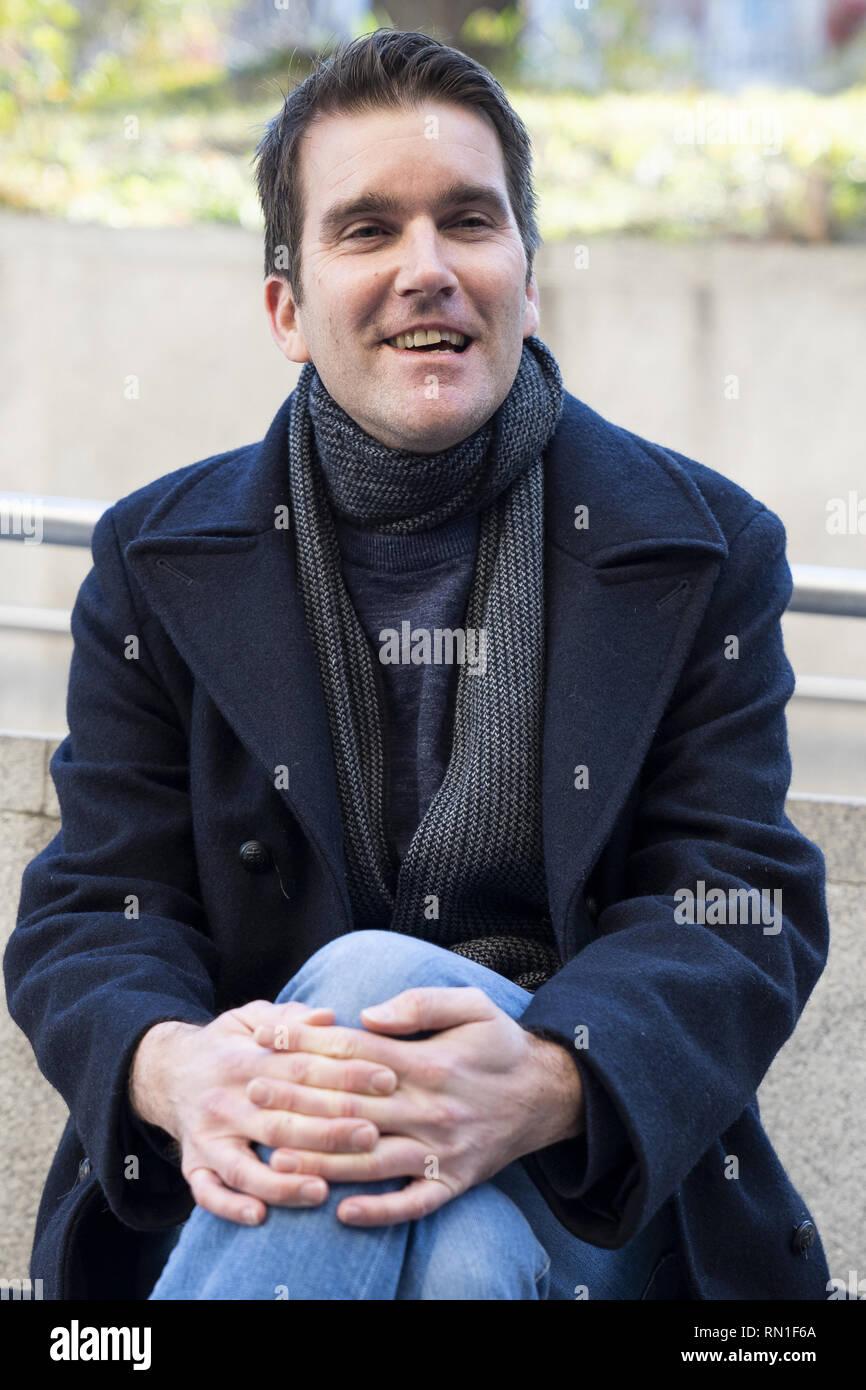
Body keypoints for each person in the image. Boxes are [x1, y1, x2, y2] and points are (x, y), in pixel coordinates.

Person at [4, 28, 830, 1301]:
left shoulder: (702, 550)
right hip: (261, 1166)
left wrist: (551, 1078)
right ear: (286, 307)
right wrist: (175, 1066)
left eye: (467, 222)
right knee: (458, 1254)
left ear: (528, 276)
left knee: (369, 984)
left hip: (595, 1183)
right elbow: (96, 908)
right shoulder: (156, 561)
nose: (426, 270)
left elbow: (736, 902)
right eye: (367, 230)